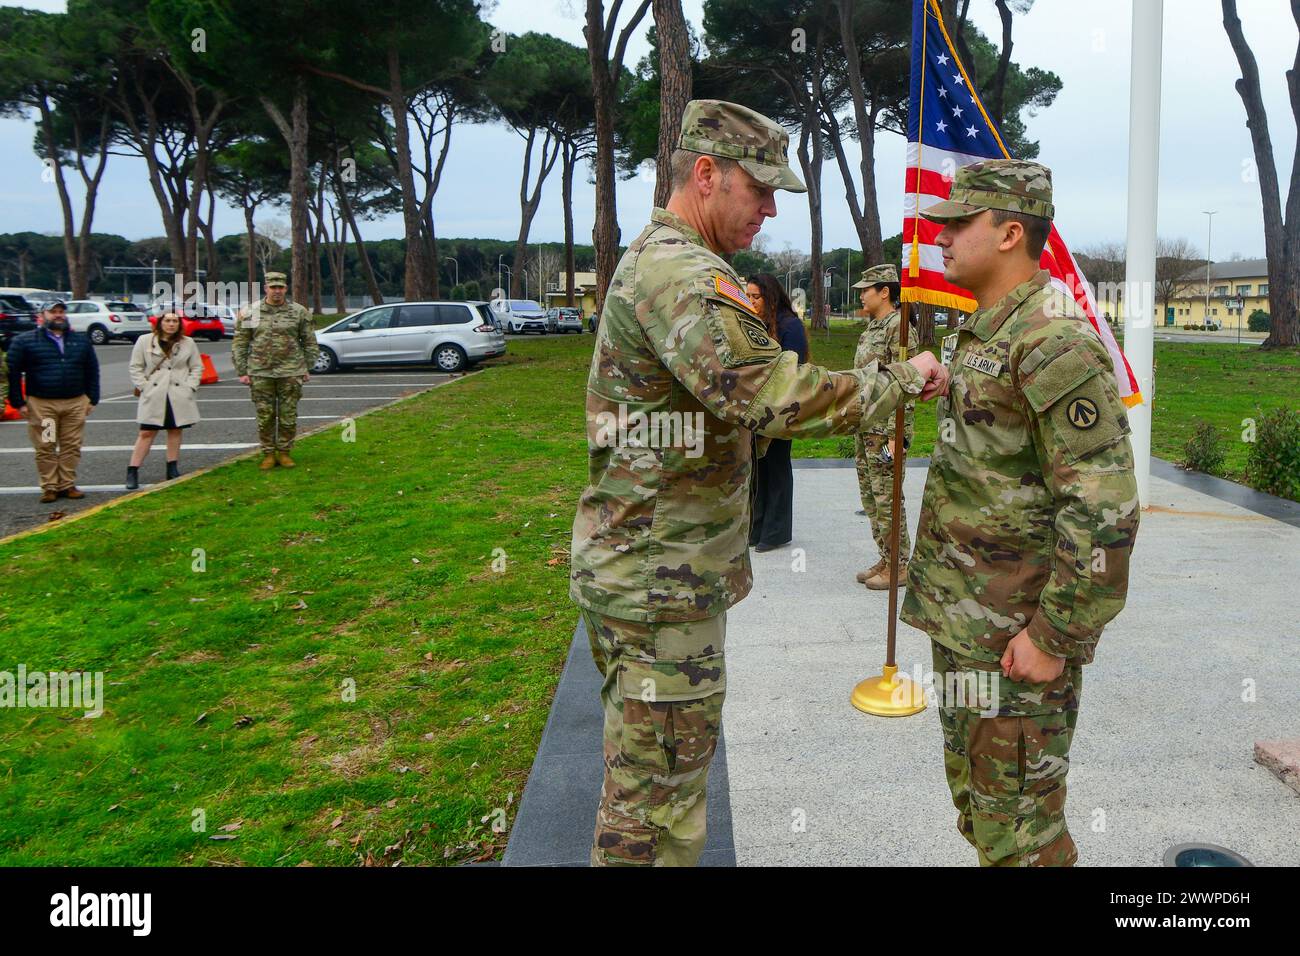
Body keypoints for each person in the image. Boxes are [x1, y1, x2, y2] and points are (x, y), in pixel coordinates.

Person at [569, 99, 949, 867]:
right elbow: (775, 398)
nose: (771, 210)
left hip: (652, 570)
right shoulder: (684, 271)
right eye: (761, 189)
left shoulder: (668, 260)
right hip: (657, 583)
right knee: (655, 809)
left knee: (655, 785)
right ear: (705, 175)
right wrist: (900, 379)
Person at [900, 159, 1140, 866]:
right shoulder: (987, 329)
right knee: (985, 814)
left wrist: (1055, 634)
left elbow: (1105, 508)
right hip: (969, 623)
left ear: (1009, 233)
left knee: (1022, 836)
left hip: (1014, 642)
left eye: (956, 224)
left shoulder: (1051, 339)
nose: (937, 236)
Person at [851, 264, 917, 589]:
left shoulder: (899, 328)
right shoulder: (873, 327)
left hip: (886, 430)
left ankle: (900, 565)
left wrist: (897, 433)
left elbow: (909, 384)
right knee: (871, 497)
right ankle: (886, 557)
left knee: (888, 498)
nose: (861, 294)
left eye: (866, 288)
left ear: (885, 291)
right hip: (865, 426)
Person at [5, 300, 99, 503]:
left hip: (74, 404)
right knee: (47, 444)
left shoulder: (80, 341)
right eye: (53, 312)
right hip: (44, 406)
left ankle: (67, 484)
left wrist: (92, 398)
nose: (58, 315)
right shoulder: (26, 341)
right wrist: (18, 402)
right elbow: (12, 372)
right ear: (42, 315)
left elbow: (92, 370)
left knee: (71, 445)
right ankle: (50, 486)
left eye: (61, 312)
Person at [745, 272, 808, 552]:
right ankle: (756, 527)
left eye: (755, 296)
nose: (750, 301)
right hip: (755, 405)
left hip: (782, 405)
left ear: (770, 297)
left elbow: (793, 368)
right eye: (746, 296)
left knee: (777, 464)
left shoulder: (789, 325)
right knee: (758, 468)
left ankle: (776, 531)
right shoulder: (753, 323)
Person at [232, 271, 317, 469]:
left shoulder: (299, 312)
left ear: (286, 288)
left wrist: (306, 366)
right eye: (273, 287)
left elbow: (310, 342)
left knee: (288, 415)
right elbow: (240, 342)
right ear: (266, 288)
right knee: (265, 415)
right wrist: (242, 371)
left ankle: (285, 451)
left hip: (291, 371)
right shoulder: (251, 312)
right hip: (260, 371)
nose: (277, 291)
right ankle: (268, 453)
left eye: (280, 287)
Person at [125, 311, 203, 489]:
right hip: (154, 392)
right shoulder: (144, 341)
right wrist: (143, 386)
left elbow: (197, 366)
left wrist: (190, 386)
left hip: (178, 393)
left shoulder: (187, 343)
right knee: (146, 433)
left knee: (175, 430)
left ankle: (172, 466)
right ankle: (133, 469)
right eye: (167, 320)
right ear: (160, 323)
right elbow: (135, 366)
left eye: (175, 321)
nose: (171, 324)